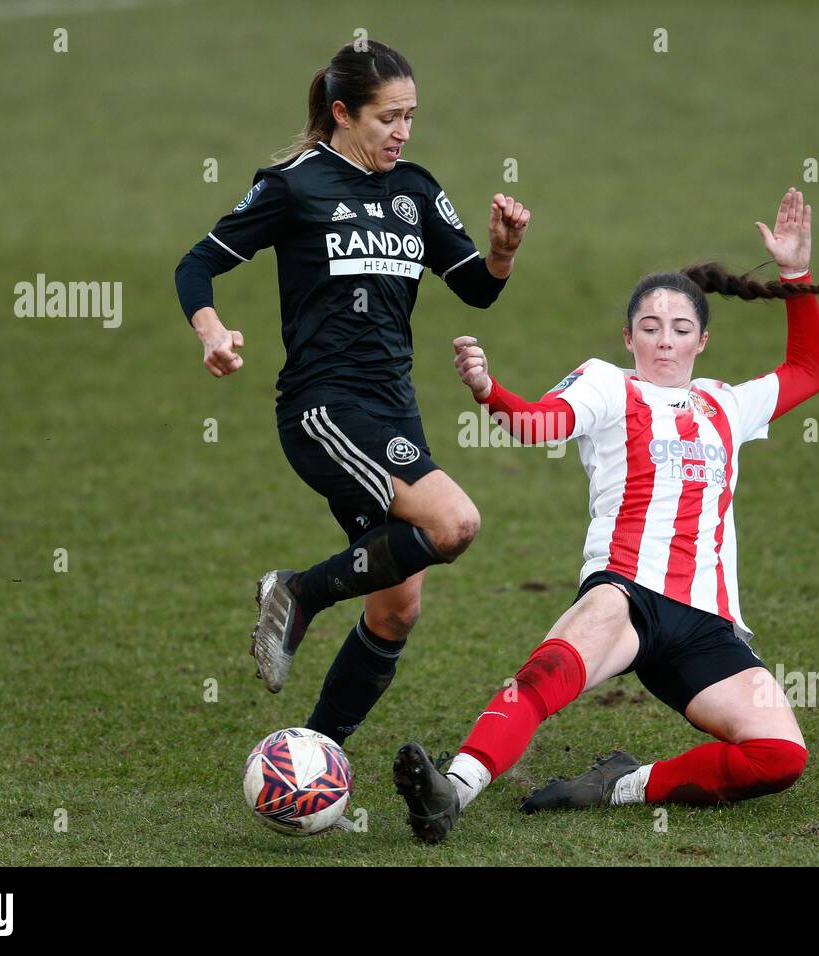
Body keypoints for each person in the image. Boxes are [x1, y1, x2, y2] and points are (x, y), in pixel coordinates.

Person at [393, 188, 819, 843]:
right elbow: (539, 424)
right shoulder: (607, 384)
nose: (664, 342)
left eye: (679, 329)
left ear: (703, 338)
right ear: (628, 336)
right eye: (649, 327)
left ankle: (621, 784)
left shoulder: (728, 404)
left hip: (709, 626)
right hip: (628, 595)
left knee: (780, 755)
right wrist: (488, 391)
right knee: (546, 674)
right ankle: (454, 791)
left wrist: (796, 273)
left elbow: (811, 369)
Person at [173, 40, 531, 747]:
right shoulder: (295, 184)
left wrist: (502, 253)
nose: (402, 132)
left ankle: (312, 759)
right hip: (323, 409)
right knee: (454, 523)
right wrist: (211, 330)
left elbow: (476, 291)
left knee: (397, 608)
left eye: (410, 117)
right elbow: (199, 263)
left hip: (395, 410)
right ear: (342, 114)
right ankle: (298, 592)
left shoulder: (416, 191)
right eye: (387, 118)